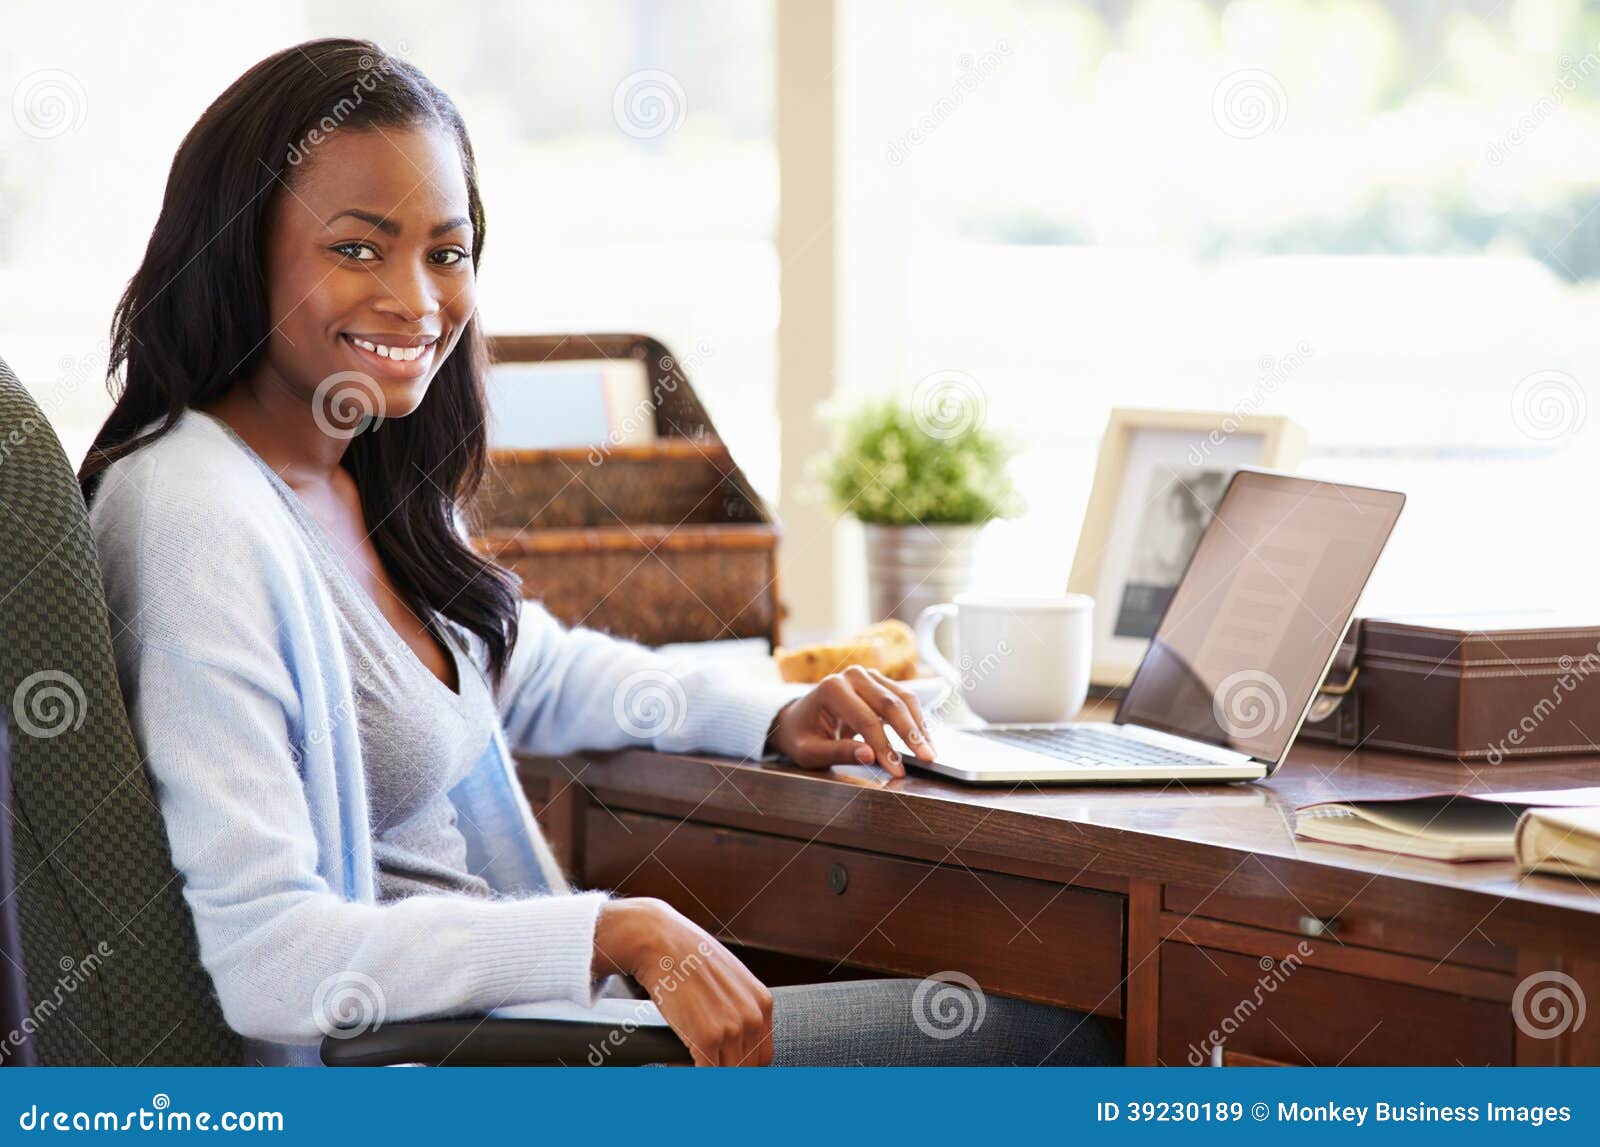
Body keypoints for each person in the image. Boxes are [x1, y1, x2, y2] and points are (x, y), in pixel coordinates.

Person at [80, 37, 1118, 1068]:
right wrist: (610, 930)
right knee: (1037, 1039)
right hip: (438, 1077)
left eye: (446, 251)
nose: (418, 299)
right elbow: (269, 957)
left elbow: (528, 666)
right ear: (237, 248)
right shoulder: (194, 511)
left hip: (521, 1044)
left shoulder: (354, 475)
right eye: (358, 248)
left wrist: (770, 710)